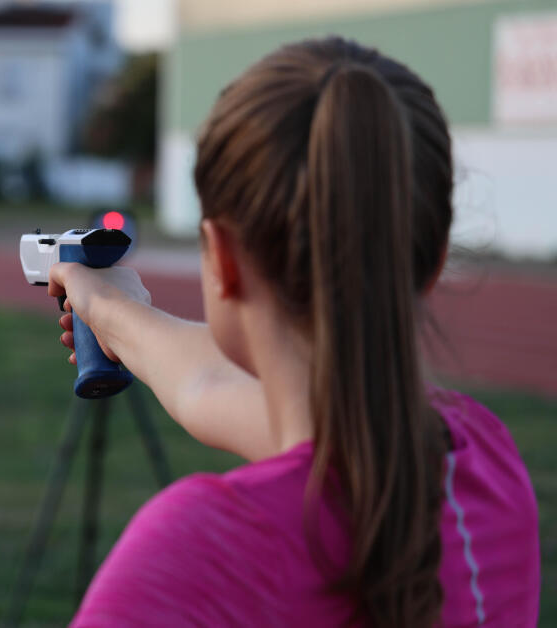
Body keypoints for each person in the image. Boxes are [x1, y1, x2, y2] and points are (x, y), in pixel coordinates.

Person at [47, 37, 539, 626]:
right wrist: (111, 309)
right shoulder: (486, 467)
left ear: (221, 260)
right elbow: (210, 388)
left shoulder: (199, 554)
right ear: (434, 261)